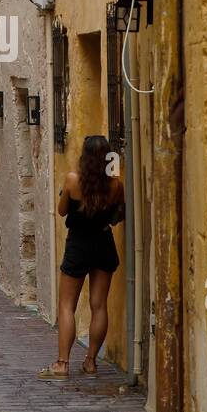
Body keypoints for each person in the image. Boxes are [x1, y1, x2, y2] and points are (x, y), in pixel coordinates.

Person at [38, 135, 125, 381]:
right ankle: (90, 362)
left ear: (84, 156)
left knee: (67, 306)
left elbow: (62, 210)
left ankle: (62, 363)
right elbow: (118, 214)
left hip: (78, 244)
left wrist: (64, 194)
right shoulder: (115, 185)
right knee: (99, 305)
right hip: (103, 243)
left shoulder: (73, 180)